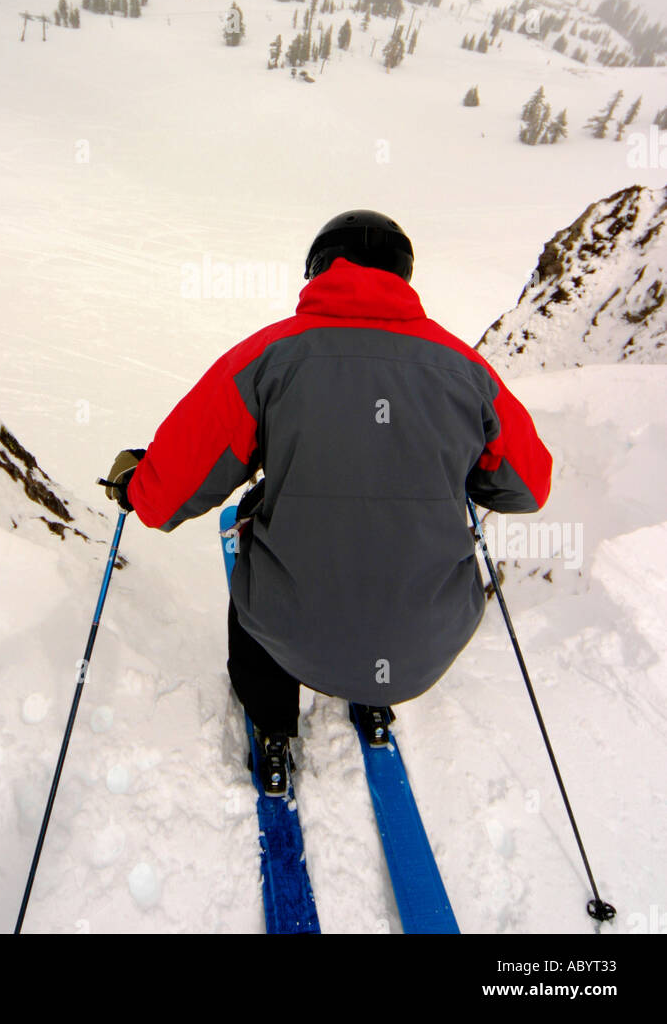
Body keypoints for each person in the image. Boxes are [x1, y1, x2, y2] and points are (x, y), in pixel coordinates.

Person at [106, 211, 552, 794]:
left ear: (319, 269)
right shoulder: (466, 371)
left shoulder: (268, 359)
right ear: (403, 274)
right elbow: (528, 487)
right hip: (427, 641)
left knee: (253, 542)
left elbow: (168, 495)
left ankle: (272, 727)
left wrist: (134, 485)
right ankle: (373, 693)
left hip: (294, 631)